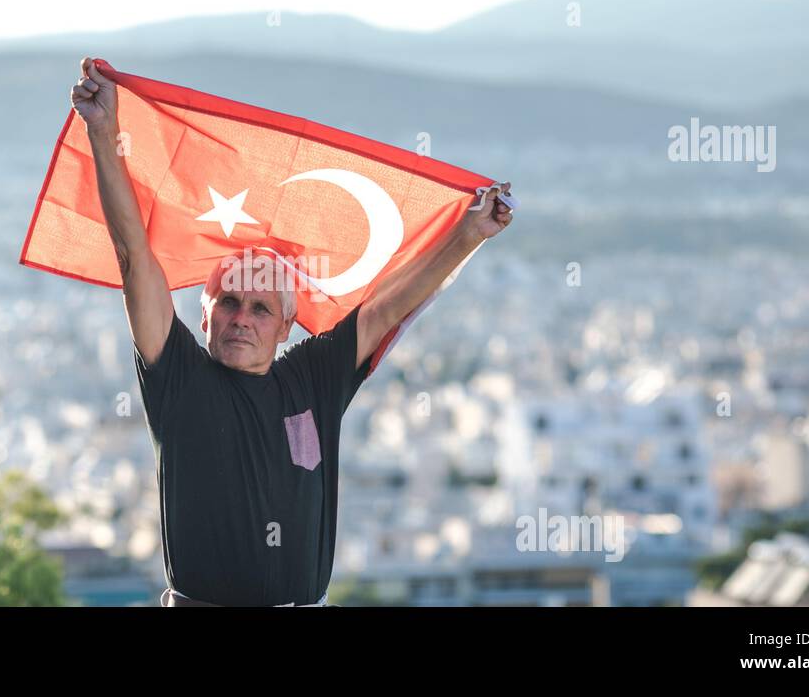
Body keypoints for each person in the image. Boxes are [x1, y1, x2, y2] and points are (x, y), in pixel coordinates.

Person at [69, 56, 513, 606]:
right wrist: (105, 131)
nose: (242, 318)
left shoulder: (312, 379)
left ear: (286, 327)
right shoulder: (178, 376)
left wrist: (469, 234)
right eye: (228, 303)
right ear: (204, 317)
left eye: (260, 309)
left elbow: (383, 310)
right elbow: (135, 257)